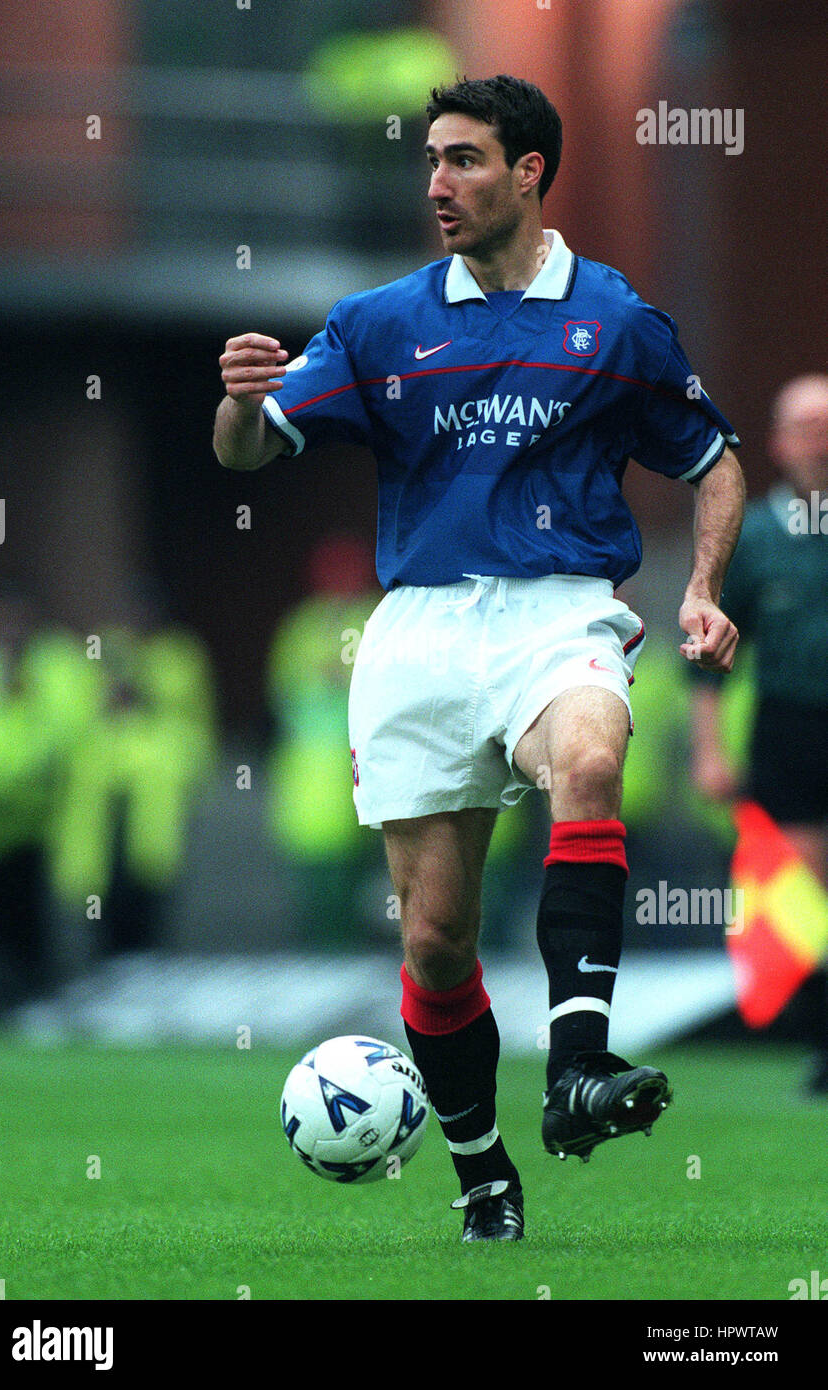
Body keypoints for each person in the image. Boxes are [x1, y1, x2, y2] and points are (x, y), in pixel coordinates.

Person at [214, 74, 744, 1242]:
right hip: (418, 631)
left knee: (590, 764)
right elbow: (249, 454)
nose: (436, 184)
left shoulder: (611, 319)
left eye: (461, 160)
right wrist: (243, 405)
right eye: (430, 162)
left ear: (528, 173)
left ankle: (577, 1068)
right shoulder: (378, 321)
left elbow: (711, 459)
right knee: (434, 936)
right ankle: (482, 1173)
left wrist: (700, 588)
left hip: (556, 613)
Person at [690, 374, 828, 1092]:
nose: (819, 441)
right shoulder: (758, 537)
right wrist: (710, 750)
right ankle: (817, 1036)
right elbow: (710, 659)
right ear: (778, 443)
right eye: (806, 426)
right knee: (802, 892)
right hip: (791, 728)